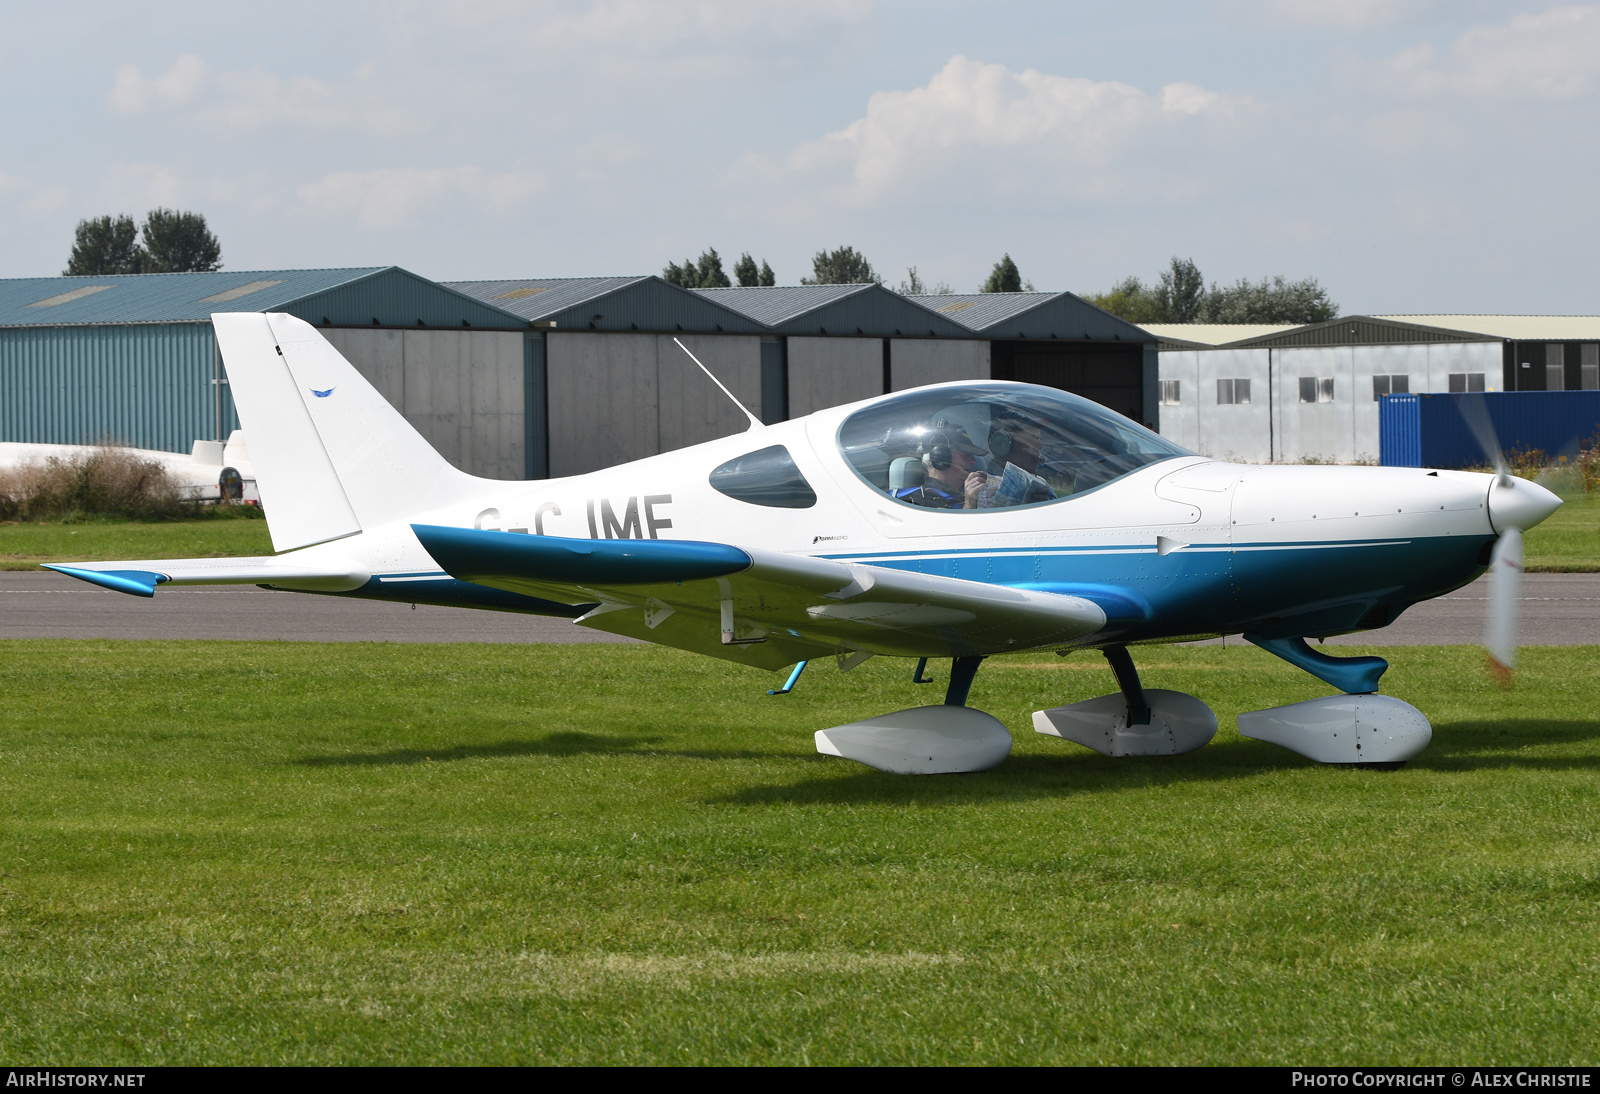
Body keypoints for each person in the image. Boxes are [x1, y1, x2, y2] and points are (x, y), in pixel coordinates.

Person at [895, 419, 991, 509]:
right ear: (940, 458)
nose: (974, 461)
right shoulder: (911, 502)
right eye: (965, 455)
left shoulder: (975, 491)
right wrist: (969, 504)